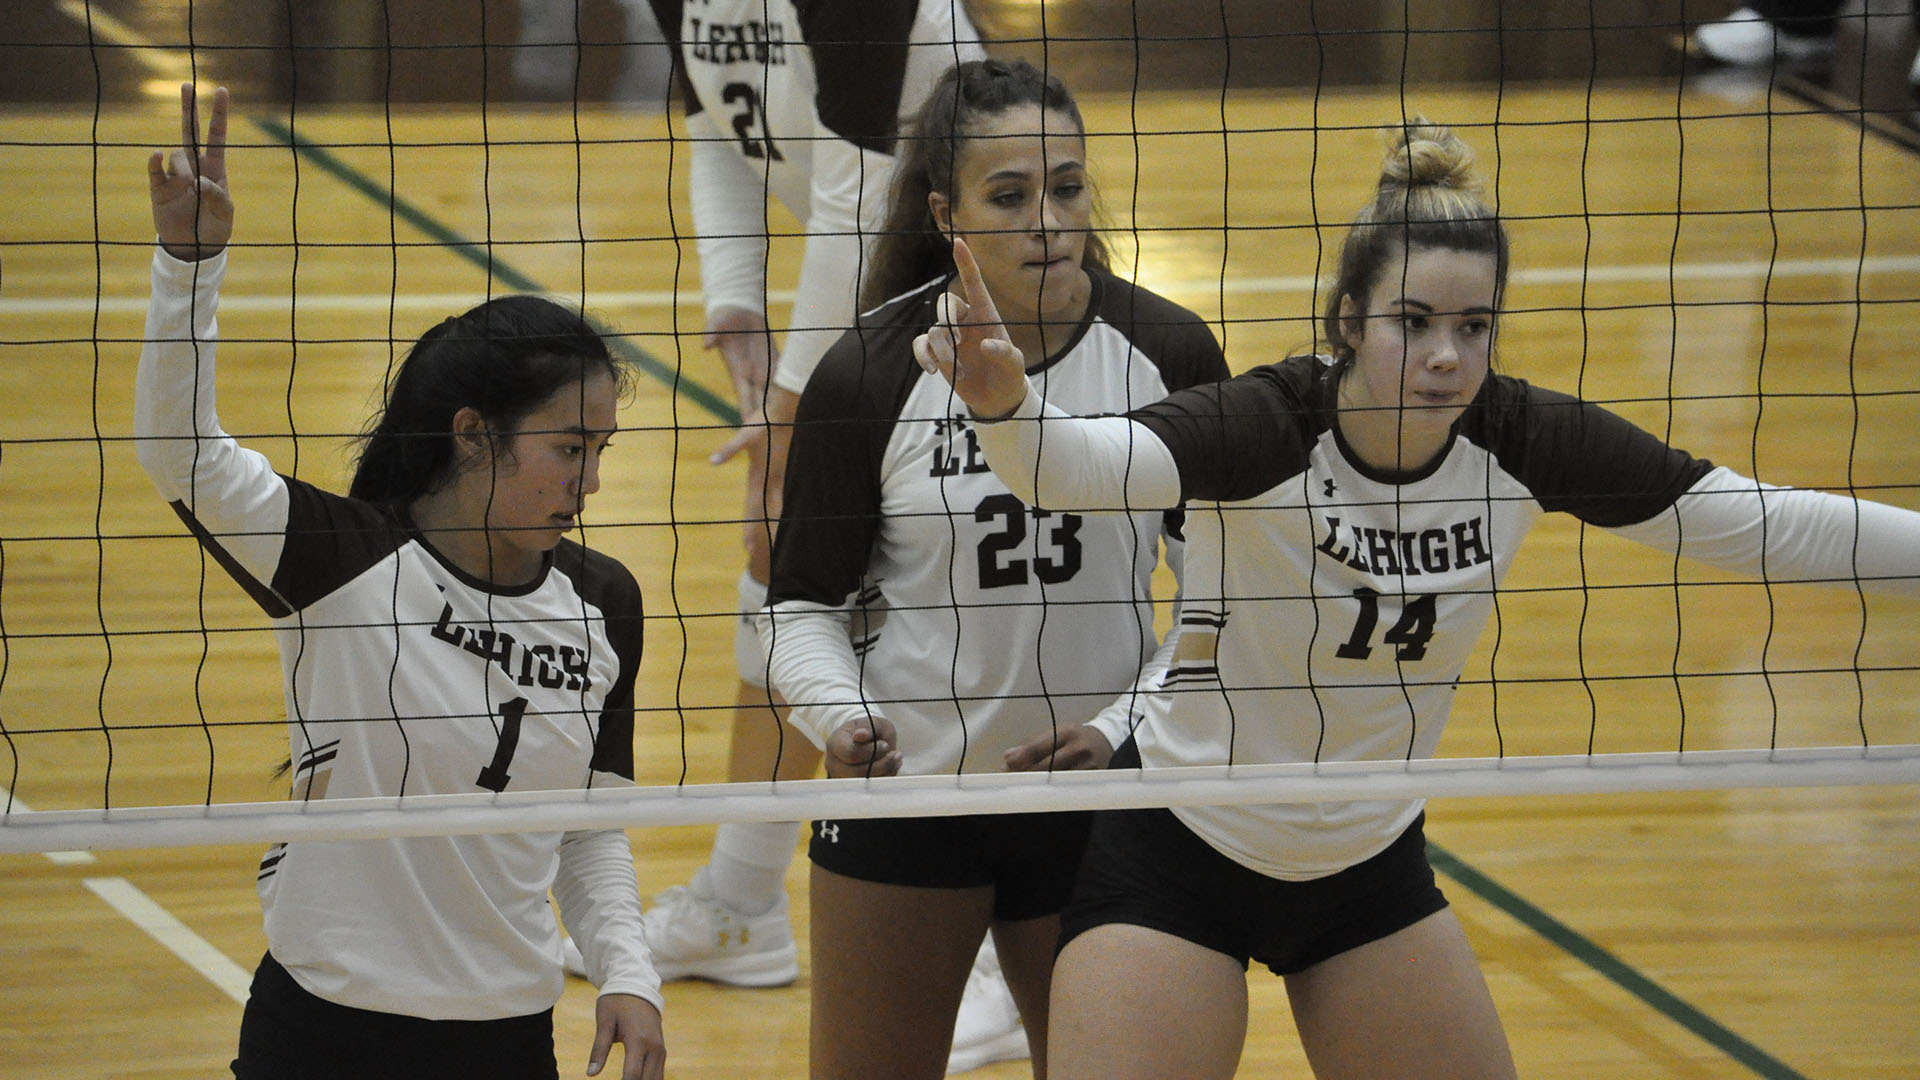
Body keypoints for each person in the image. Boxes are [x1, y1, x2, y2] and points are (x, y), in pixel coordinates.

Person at [914, 119, 1920, 1080]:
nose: (1448, 356)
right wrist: (1008, 404)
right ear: (1349, 320)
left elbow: (1766, 524)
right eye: (1415, 323)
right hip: (1184, 850)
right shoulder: (1267, 426)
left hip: (1365, 866)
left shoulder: (1519, 441)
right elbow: (1073, 467)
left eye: (1475, 327)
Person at [138, 84, 665, 1080]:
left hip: (506, 1038)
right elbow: (182, 458)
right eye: (568, 446)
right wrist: (190, 266)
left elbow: (591, 831)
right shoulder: (340, 561)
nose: (590, 480)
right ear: (474, 434)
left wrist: (628, 974)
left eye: (602, 448)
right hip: (323, 1030)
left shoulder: (604, 603)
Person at [754, 58, 1233, 1080]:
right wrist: (838, 718)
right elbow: (798, 609)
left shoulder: (1168, 355)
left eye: (1065, 188)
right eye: (1011, 197)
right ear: (947, 212)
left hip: (1100, 806)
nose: (1049, 222)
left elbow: (1227, 608)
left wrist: (1119, 727)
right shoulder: (873, 373)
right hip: (911, 801)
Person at [604, 3, 1020, 1073]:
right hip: (867, 280)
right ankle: (743, 904)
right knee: (782, 577)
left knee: (938, 585)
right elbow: (716, 131)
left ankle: (1007, 951)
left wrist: (793, 420)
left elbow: (853, 197)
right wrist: (736, 308)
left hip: (975, 278)